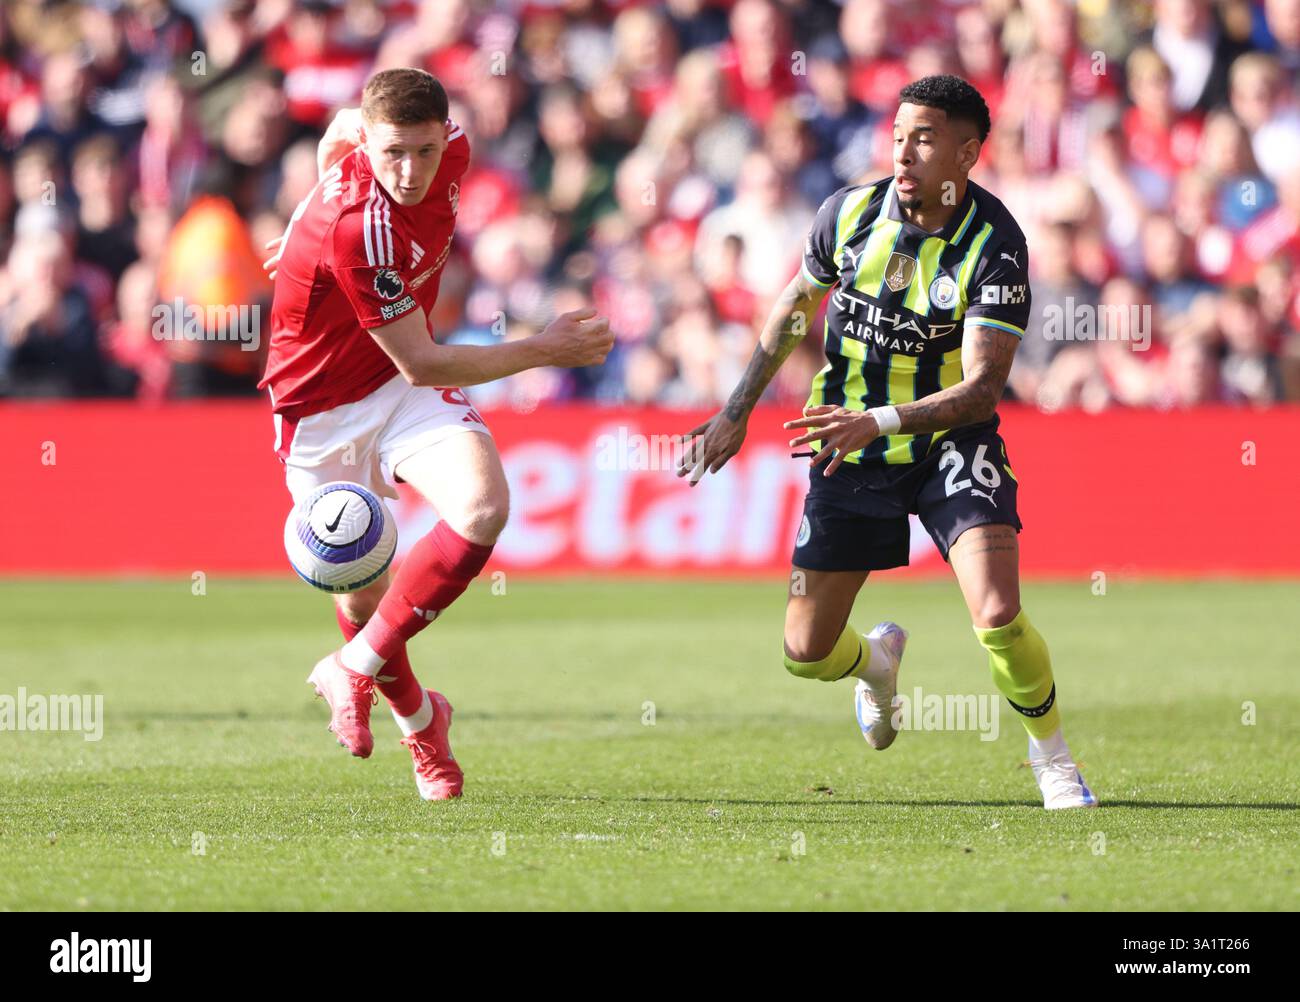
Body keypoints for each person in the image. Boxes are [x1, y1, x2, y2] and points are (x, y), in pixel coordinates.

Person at [679, 74, 1096, 809]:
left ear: (967, 153)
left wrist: (880, 419)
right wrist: (735, 410)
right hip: (849, 447)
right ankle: (875, 663)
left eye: (925, 138)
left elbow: (982, 389)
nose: (904, 152)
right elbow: (791, 313)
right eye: (899, 134)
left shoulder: (996, 245)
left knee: (997, 610)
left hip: (949, 442)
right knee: (805, 654)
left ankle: (1052, 757)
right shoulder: (848, 213)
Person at [260, 68, 612, 800]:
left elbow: (337, 132)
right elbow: (424, 361)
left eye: (422, 150)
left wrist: (299, 226)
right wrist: (545, 349)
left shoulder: (450, 147)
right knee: (362, 594)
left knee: (484, 508)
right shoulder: (360, 226)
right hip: (321, 410)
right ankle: (424, 724)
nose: (410, 170)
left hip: (391, 390)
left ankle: (349, 668)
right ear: (372, 144)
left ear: (442, 134)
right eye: (392, 154)